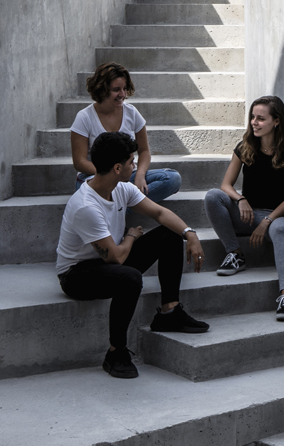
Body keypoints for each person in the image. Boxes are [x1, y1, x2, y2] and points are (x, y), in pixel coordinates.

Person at [55, 130, 207, 380]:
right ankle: (116, 352)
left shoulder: (121, 188)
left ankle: (169, 312)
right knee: (130, 277)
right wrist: (131, 236)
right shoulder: (85, 206)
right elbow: (115, 258)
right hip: (77, 274)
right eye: (131, 162)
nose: (135, 166)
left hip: (111, 259)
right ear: (117, 167)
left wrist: (190, 234)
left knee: (170, 234)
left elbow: (159, 214)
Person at [204, 95, 284, 319]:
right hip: (246, 214)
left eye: (260, 118)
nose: (254, 122)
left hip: (274, 218)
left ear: (276, 121)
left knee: (279, 230)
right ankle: (235, 253)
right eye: (252, 117)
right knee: (213, 196)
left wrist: (267, 221)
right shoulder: (245, 147)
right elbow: (225, 185)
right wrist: (240, 200)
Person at [71, 62, 180, 204]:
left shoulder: (132, 112)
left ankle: (121, 206)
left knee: (172, 178)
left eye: (124, 88)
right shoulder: (84, 117)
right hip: (96, 177)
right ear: (102, 90)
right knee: (104, 192)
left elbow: (144, 151)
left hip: (128, 174)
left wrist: (140, 175)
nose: (122, 94)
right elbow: (79, 162)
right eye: (116, 89)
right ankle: (129, 204)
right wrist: (112, 175)